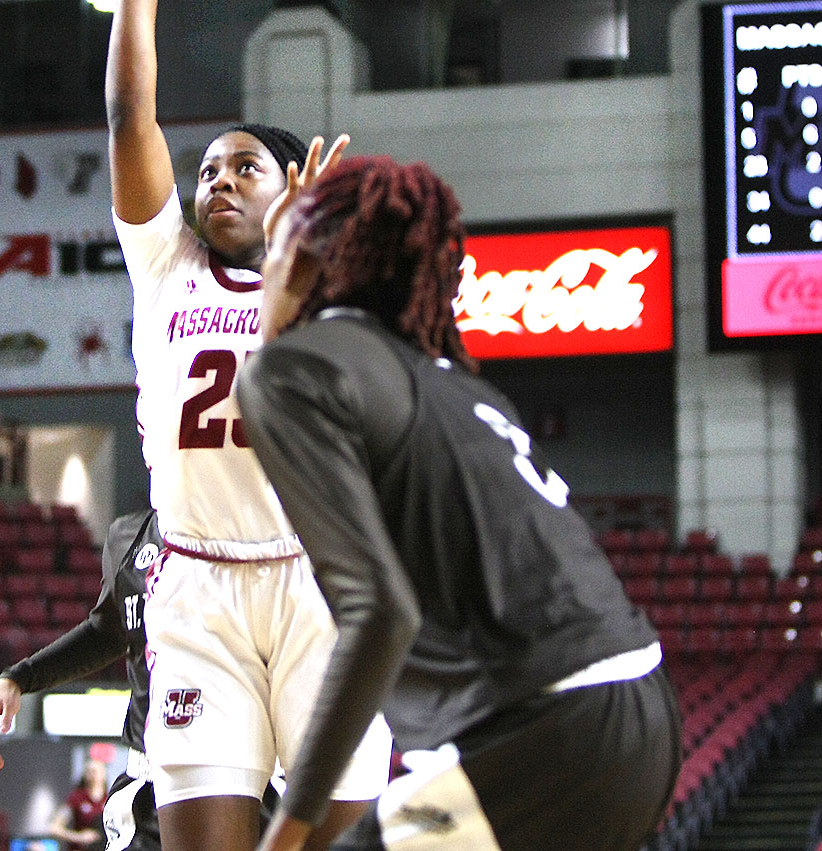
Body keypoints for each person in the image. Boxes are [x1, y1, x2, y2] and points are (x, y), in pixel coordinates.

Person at [69, 0, 392, 851]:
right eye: (207, 169)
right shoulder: (166, 262)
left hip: (309, 579)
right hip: (196, 581)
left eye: (241, 167)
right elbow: (131, 117)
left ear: (290, 185)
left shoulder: (334, 287)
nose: (215, 181)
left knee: (335, 830)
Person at [235, 154, 684, 851]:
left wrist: (287, 832)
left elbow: (380, 610)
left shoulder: (294, 371)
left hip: (544, 734)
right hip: (642, 717)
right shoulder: (455, 383)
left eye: (274, 250)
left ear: (300, 263)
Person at [0, 510, 165, 851]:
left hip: (242, 770)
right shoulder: (128, 536)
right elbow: (107, 632)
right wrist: (18, 678)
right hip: (151, 777)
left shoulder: (256, 525)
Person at [49, 760, 107, 851]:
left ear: (104, 774)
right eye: (88, 771)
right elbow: (54, 828)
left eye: (95, 771)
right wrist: (78, 837)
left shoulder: (110, 799)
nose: (92, 775)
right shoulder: (76, 798)